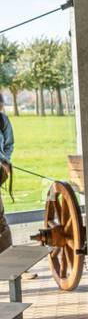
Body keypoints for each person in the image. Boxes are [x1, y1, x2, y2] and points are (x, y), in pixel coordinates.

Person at [0, 106, 12, 253]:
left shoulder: (2, 120)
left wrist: (5, 161)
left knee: (0, 221)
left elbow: (9, 145)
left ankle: (12, 267)